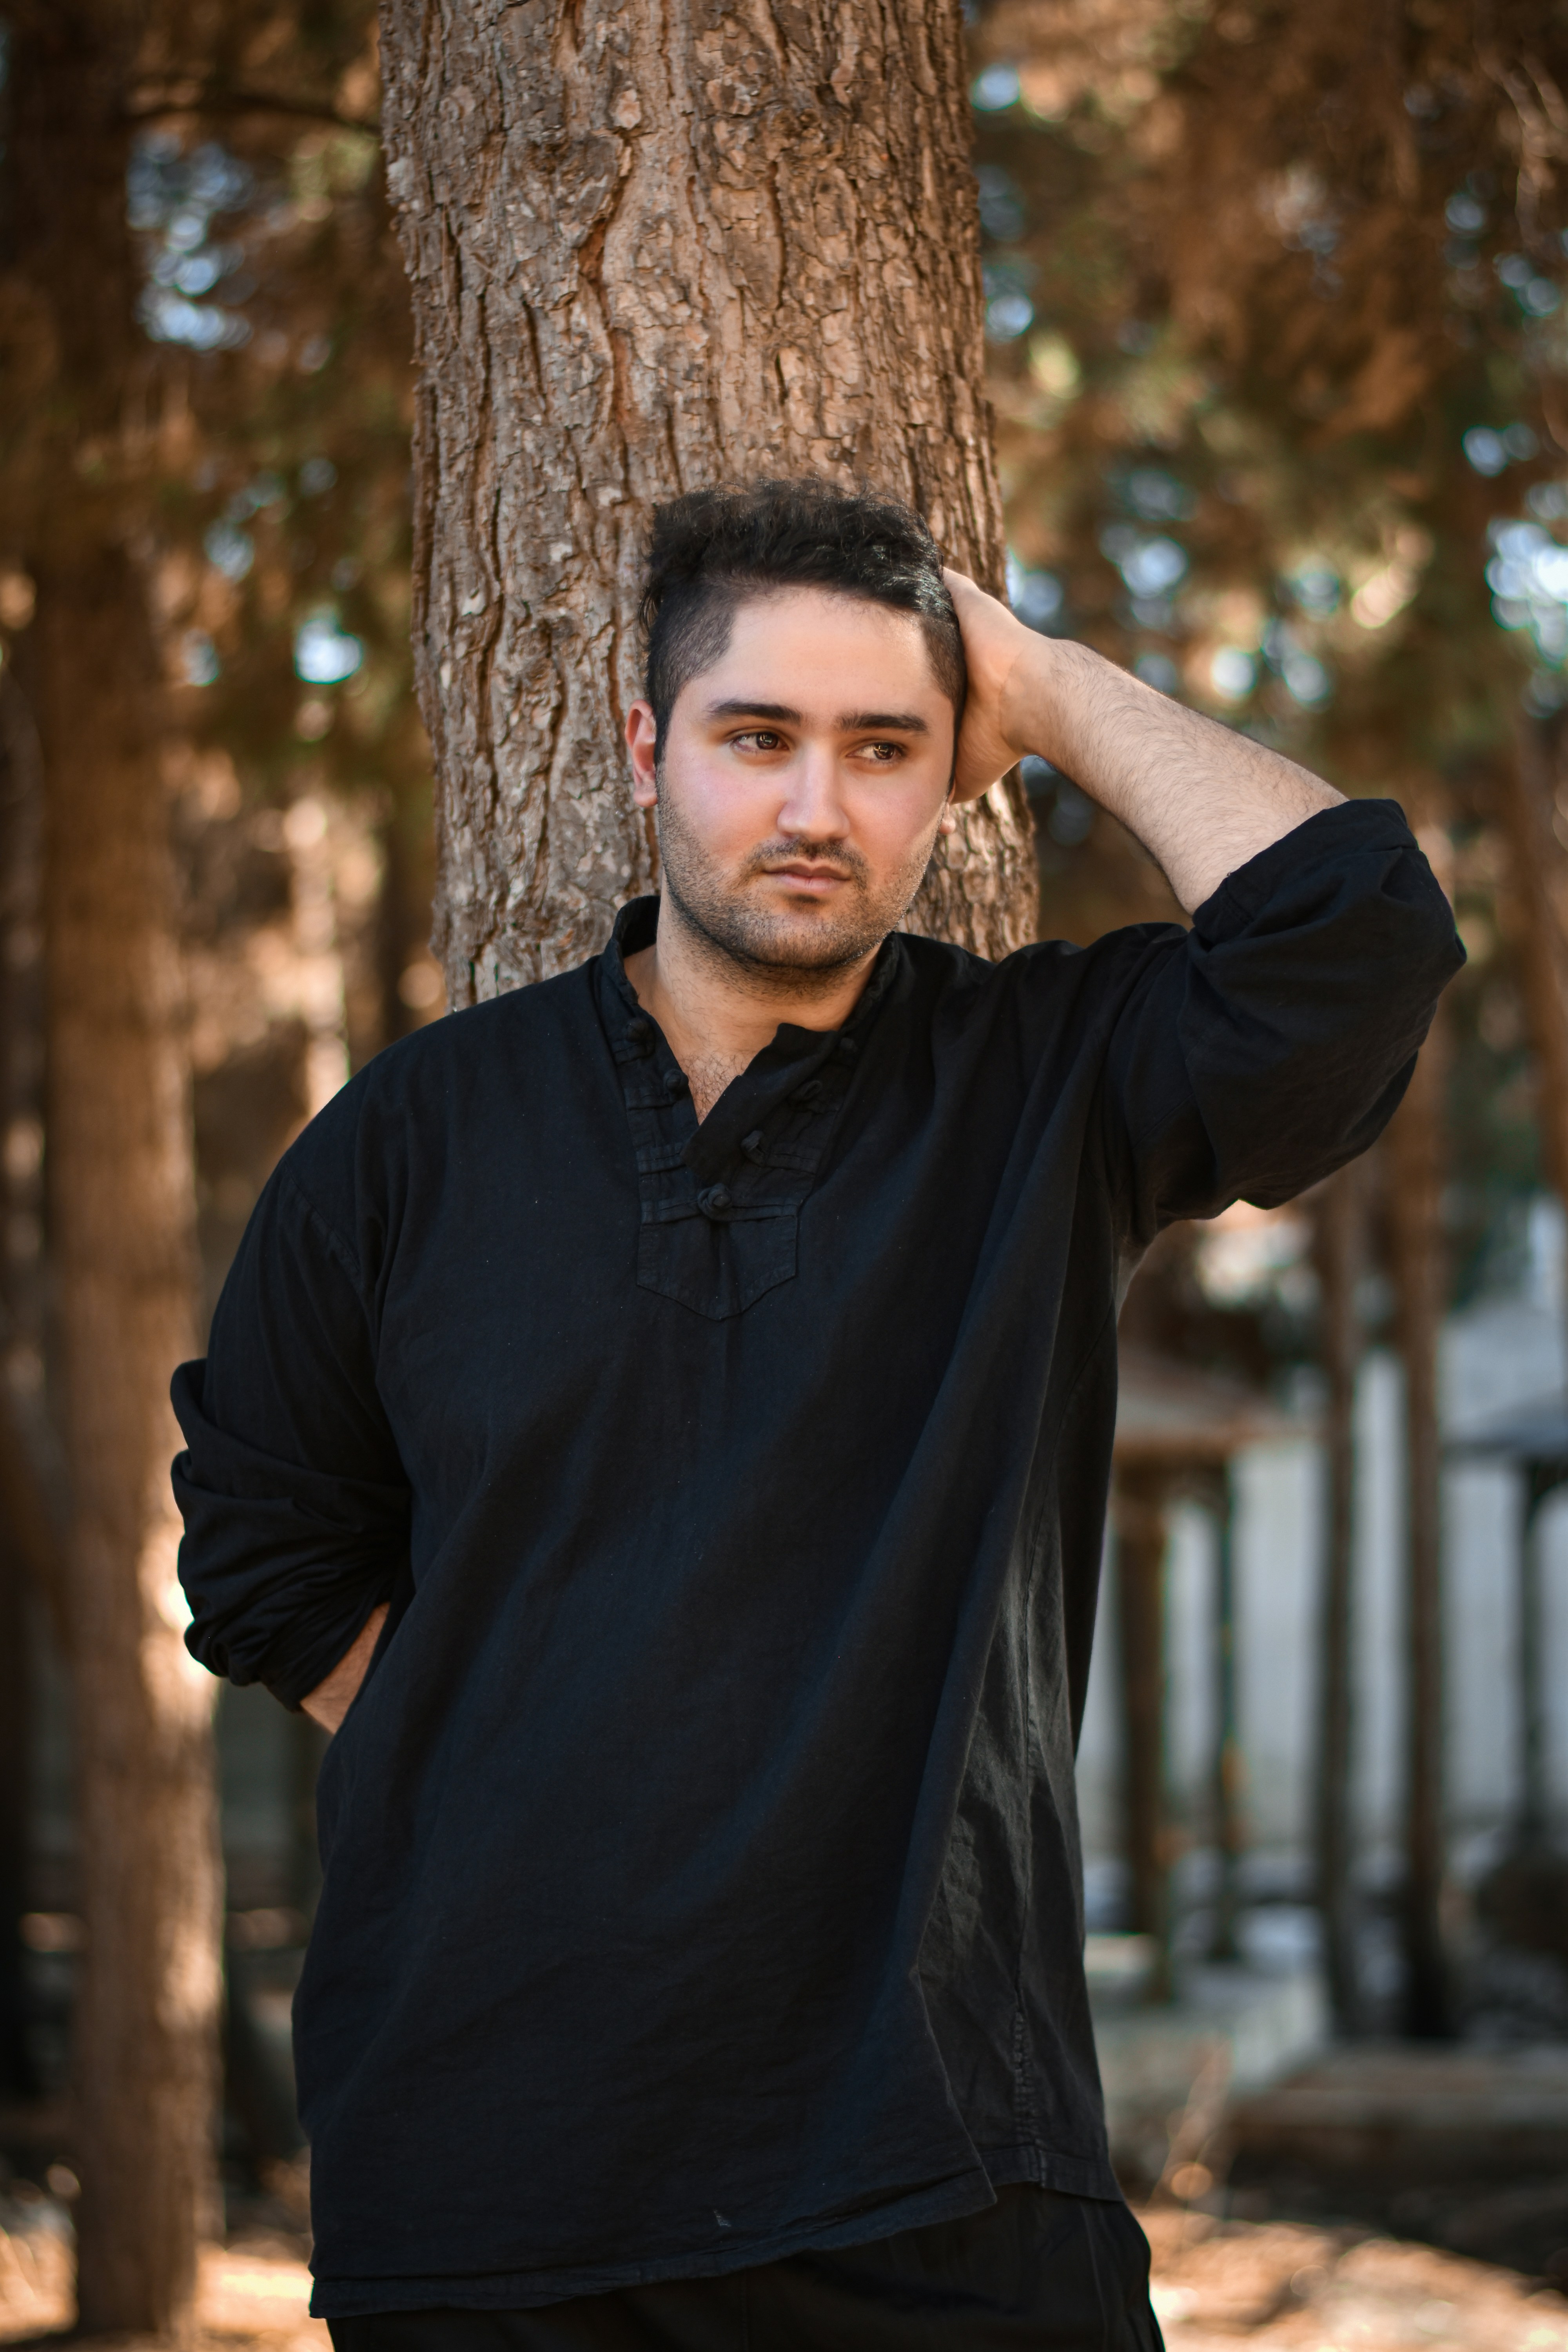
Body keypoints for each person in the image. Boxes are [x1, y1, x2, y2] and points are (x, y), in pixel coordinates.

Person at [173, 478, 1461, 2351]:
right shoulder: (414, 1140)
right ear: (645, 745)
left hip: (939, 2173)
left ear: (953, 779)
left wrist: (1045, 680)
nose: (811, 807)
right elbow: (264, 1549)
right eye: (754, 736)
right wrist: (516, 1752)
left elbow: (1353, 943)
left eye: (884, 748)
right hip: (489, 2189)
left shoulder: (1046, 1083)